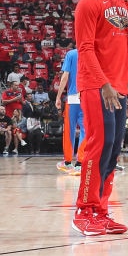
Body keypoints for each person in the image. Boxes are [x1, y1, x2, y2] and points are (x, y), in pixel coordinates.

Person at [72, 0, 128, 236]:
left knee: (113, 151)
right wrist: (103, 83)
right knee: (98, 147)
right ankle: (84, 211)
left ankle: (101, 211)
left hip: (120, 88)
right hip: (96, 86)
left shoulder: (124, 5)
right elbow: (85, 48)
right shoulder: (88, 3)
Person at [53, 45, 84, 174]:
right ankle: (81, 163)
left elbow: (65, 76)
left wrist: (58, 97)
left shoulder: (71, 54)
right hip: (88, 97)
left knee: (69, 130)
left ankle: (67, 162)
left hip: (72, 98)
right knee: (86, 130)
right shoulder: (94, 52)